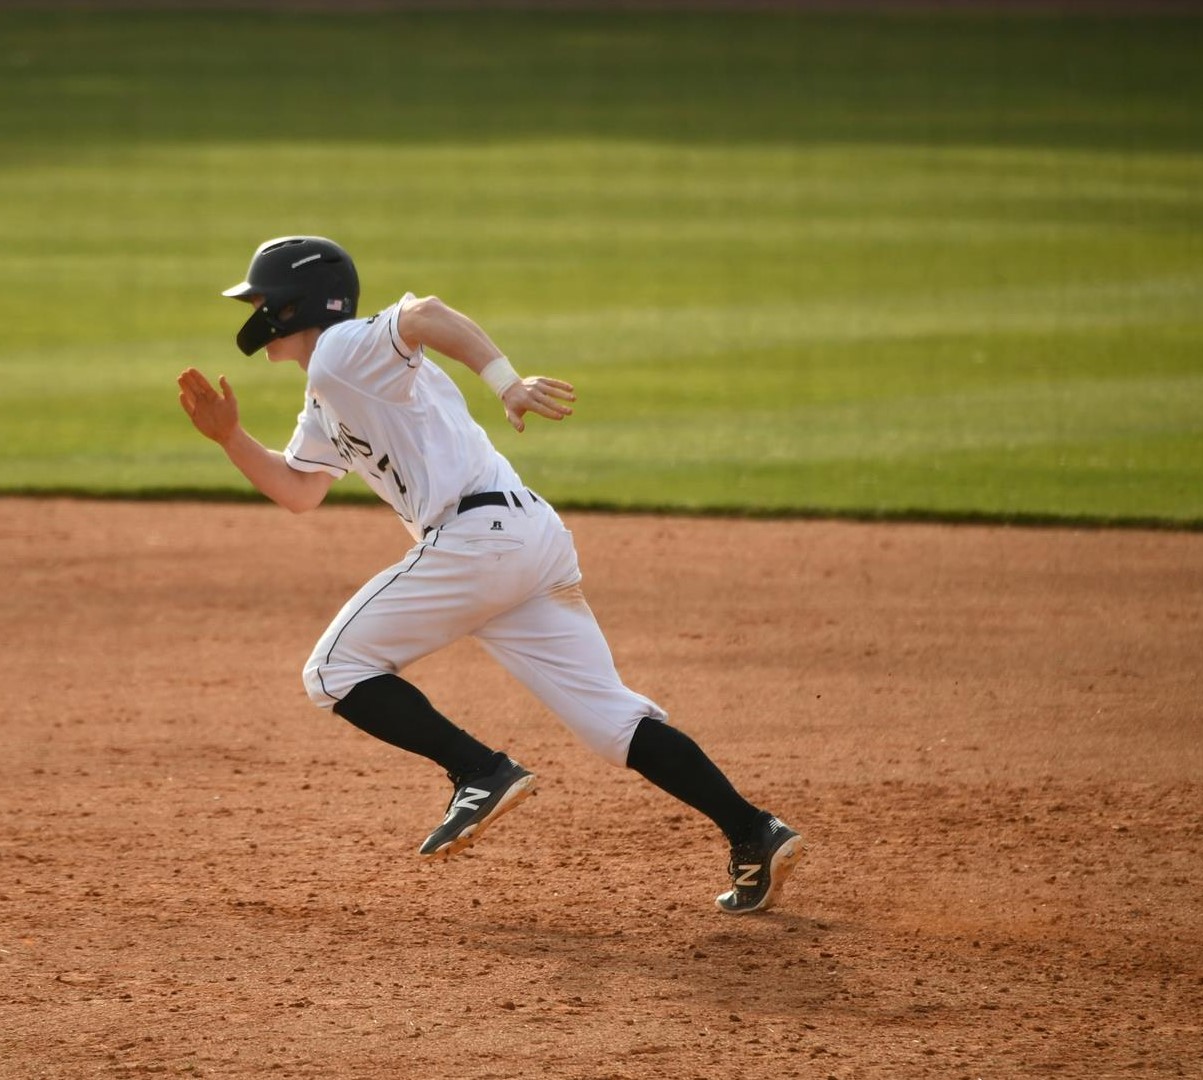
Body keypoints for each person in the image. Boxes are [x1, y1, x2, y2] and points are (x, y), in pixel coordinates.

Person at [176, 235, 804, 914]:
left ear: (294, 304)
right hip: (525, 541)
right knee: (611, 722)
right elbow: (300, 490)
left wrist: (509, 383)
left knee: (333, 670)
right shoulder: (327, 391)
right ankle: (752, 830)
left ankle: (479, 770)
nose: (255, 310)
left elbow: (426, 314)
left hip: (479, 541)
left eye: (262, 298)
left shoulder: (340, 350)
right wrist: (230, 438)